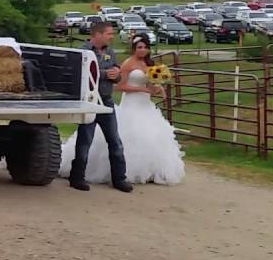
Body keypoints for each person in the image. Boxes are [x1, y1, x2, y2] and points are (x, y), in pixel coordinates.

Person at [61, 33, 185, 187]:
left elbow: (150, 83)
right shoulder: (128, 63)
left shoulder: (149, 64)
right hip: (132, 103)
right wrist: (143, 89)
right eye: (139, 47)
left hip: (145, 104)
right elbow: (120, 86)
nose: (143, 50)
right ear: (134, 48)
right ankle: (120, 173)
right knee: (125, 137)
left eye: (145, 47)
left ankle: (150, 170)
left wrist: (157, 88)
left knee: (152, 135)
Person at [62, 21, 134, 193]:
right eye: (109, 33)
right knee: (85, 140)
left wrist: (116, 75)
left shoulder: (110, 52)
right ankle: (77, 177)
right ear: (98, 34)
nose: (112, 37)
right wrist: (105, 74)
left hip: (107, 101)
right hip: (89, 101)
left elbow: (117, 75)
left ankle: (119, 178)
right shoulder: (83, 51)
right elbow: (81, 72)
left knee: (115, 141)